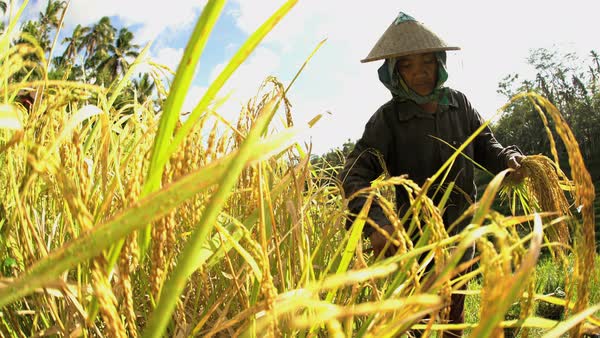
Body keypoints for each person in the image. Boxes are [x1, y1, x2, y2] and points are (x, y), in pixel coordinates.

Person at [339, 12, 524, 337]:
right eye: (407, 65)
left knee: (453, 321)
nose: (420, 72)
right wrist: (378, 223)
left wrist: (510, 160)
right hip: (414, 243)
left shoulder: (459, 104)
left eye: (427, 61)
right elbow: (353, 175)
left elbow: (486, 145)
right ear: (394, 72)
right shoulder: (389, 119)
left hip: (461, 236)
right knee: (421, 323)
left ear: (440, 62)